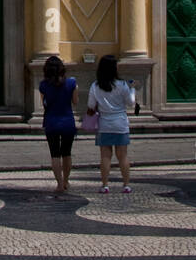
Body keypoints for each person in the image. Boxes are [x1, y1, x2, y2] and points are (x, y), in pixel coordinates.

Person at [87, 54, 135, 194]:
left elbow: (91, 105)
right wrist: (132, 89)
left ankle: (105, 185)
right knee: (123, 156)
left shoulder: (95, 86)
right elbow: (131, 103)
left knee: (105, 156)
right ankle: (126, 185)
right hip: (120, 122)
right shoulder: (122, 85)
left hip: (104, 123)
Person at [39, 55, 78, 197]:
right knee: (66, 153)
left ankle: (59, 184)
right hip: (68, 121)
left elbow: (45, 104)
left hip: (51, 121)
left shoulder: (43, 85)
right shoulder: (71, 83)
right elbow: (75, 101)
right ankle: (67, 181)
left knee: (54, 154)